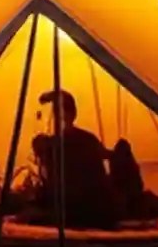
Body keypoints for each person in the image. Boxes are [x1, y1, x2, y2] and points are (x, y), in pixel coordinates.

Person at [28, 89, 123, 230]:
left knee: (28, 211)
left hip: (75, 211)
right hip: (97, 211)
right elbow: (108, 155)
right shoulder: (87, 140)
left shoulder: (56, 144)